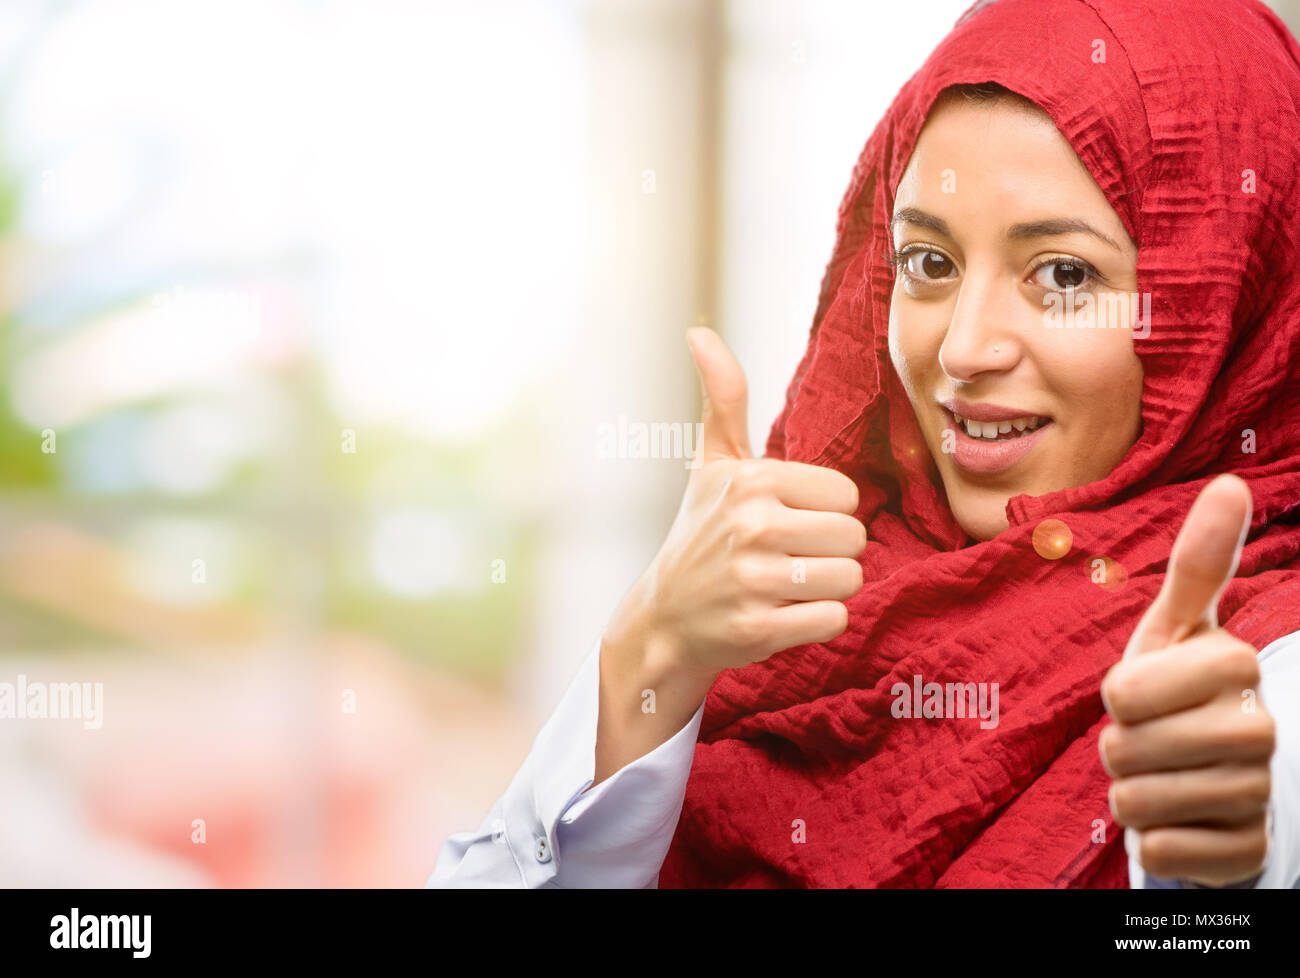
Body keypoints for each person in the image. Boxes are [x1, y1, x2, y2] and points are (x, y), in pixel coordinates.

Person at [429, 0, 1300, 887]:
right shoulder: (792, 619)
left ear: (1234, 295)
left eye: (1064, 276)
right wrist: (648, 652)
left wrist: (1210, 896)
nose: (962, 348)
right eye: (930, 263)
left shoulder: (1264, 692)